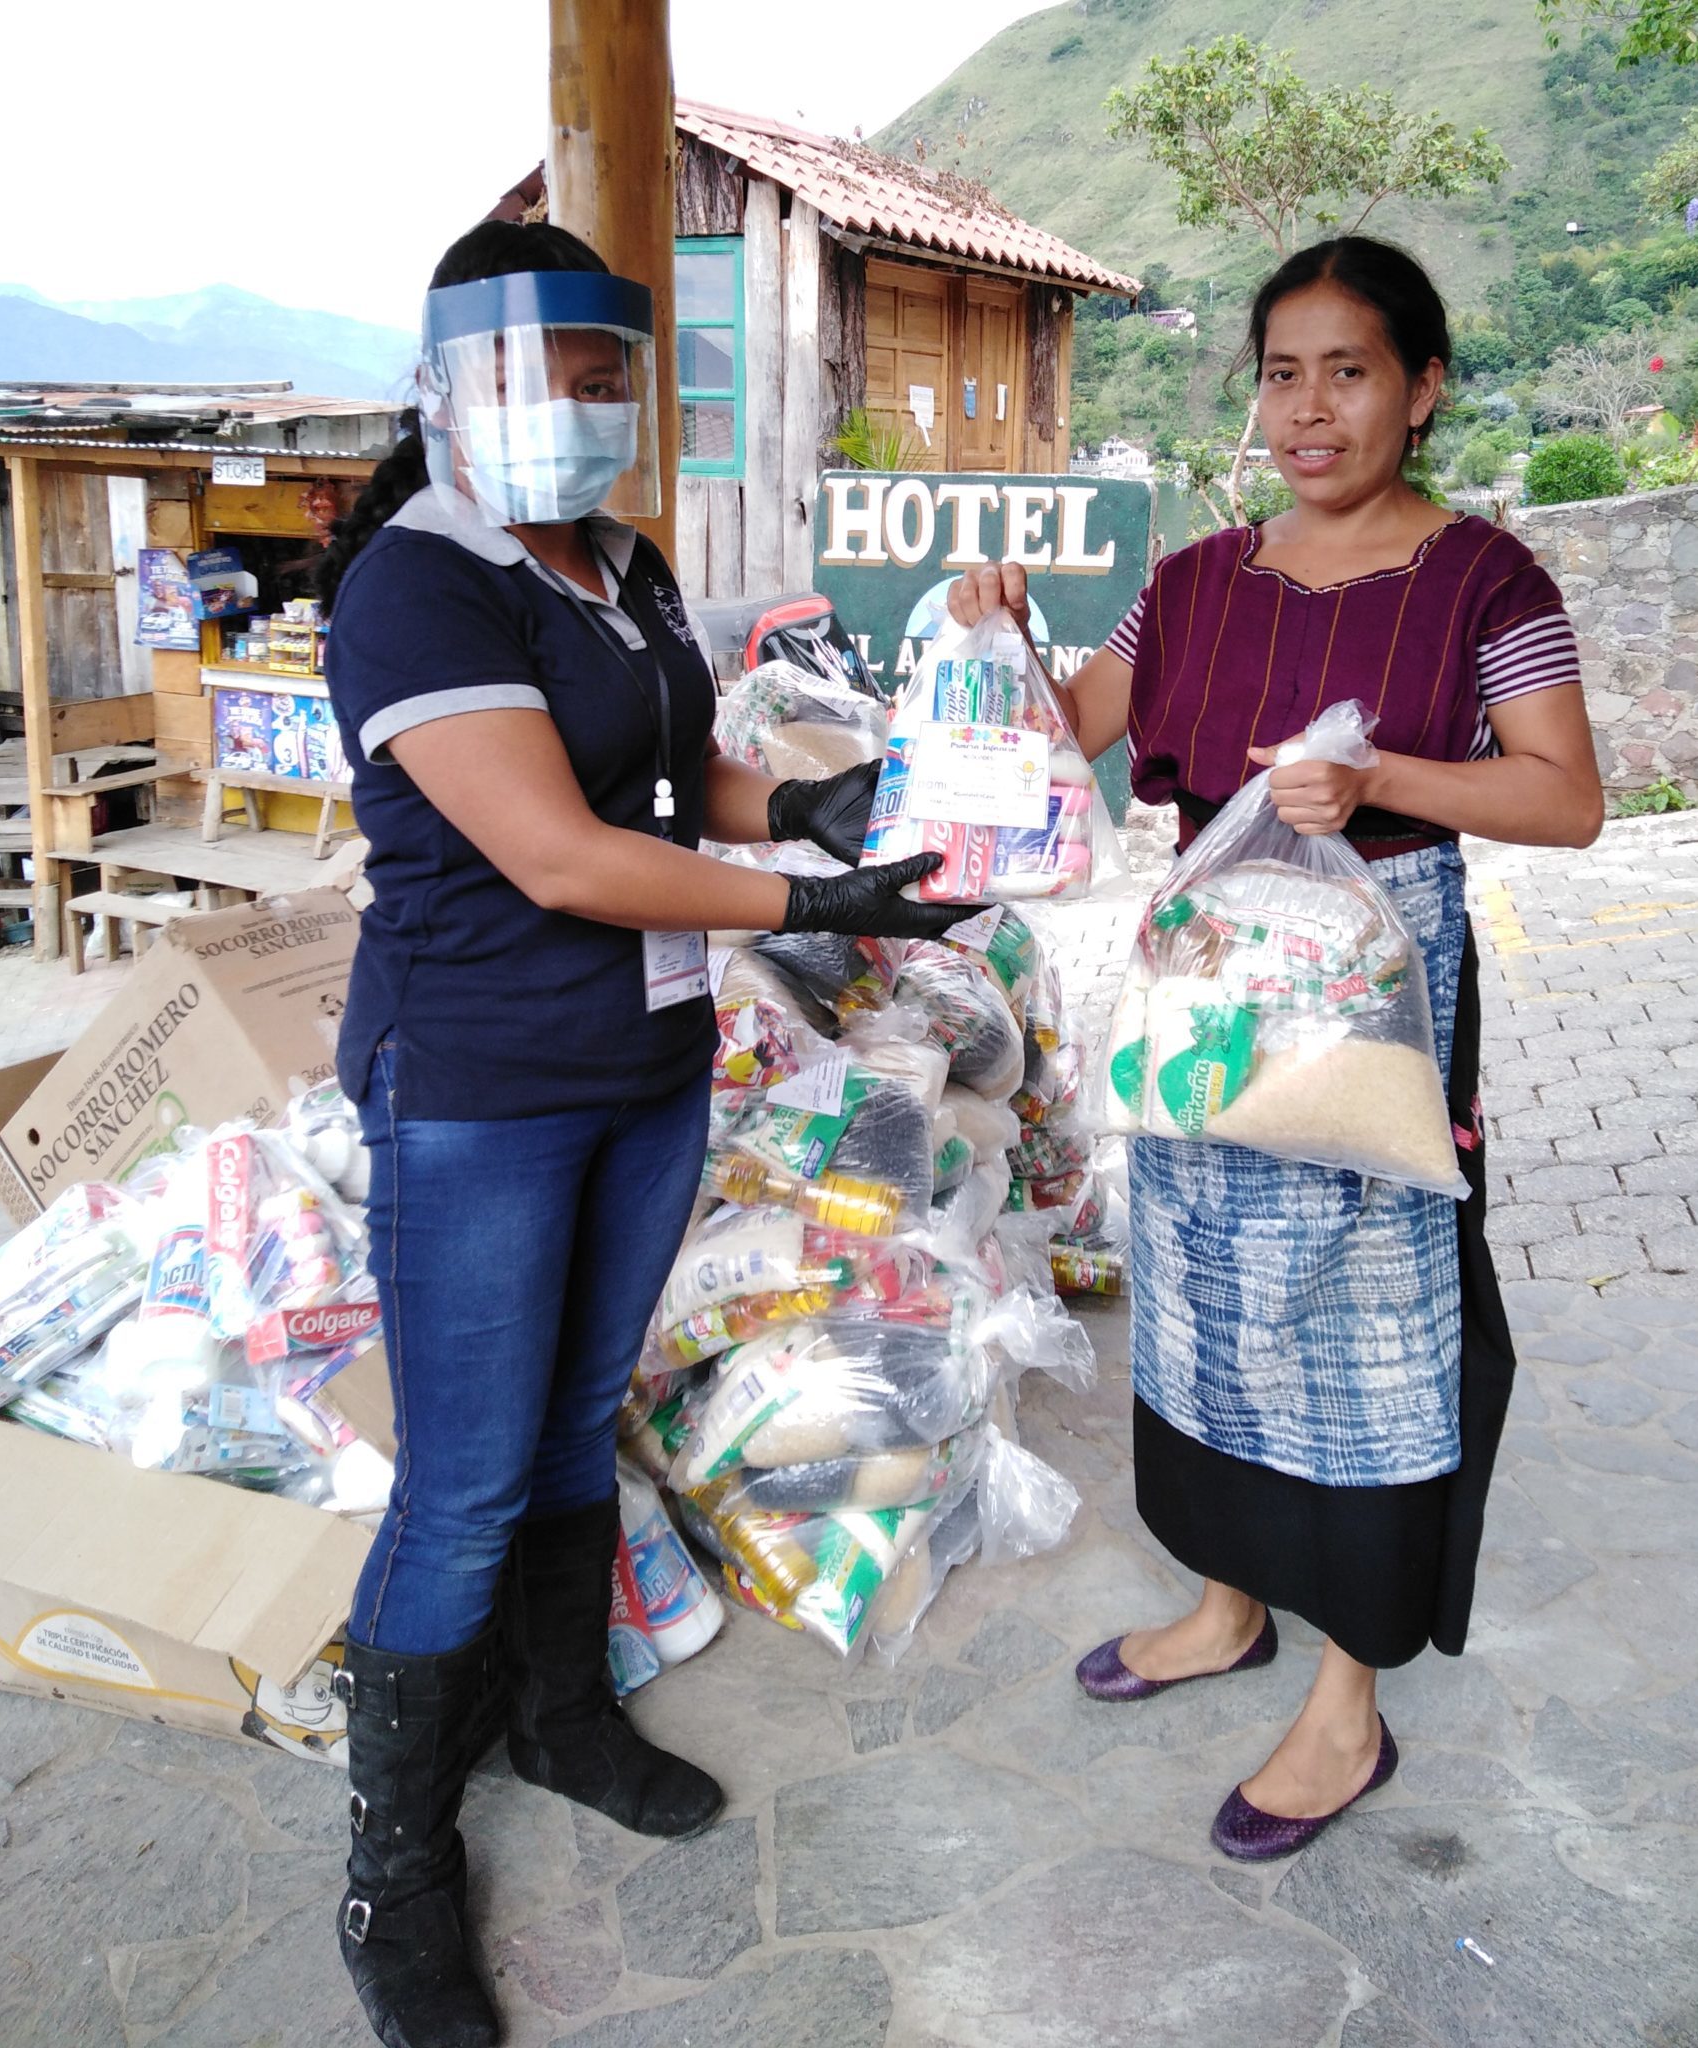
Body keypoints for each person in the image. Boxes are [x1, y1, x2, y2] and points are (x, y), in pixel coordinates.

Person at [316, 219, 959, 2048]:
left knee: (579, 1412)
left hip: (645, 1065)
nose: (579, 412)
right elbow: (560, 850)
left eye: (608, 379)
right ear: (449, 389)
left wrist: (813, 800)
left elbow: (671, 778)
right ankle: (397, 1870)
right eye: (541, 379)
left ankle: (561, 1713)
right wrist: (811, 910)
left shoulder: (624, 560)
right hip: (483, 1086)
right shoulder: (416, 586)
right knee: (460, 1483)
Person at [952, 235, 1603, 1864]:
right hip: (1205, 984)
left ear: (1423, 385)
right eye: (1282, 373)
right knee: (1203, 1292)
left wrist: (1386, 774)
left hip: (1381, 985)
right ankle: (1226, 1602)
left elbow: (1566, 798)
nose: (1309, 410)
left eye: (1351, 370)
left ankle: (1347, 1695)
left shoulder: (1487, 582)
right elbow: (1055, 749)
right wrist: (1001, 638)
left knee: (1369, 1316)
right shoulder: (1191, 583)